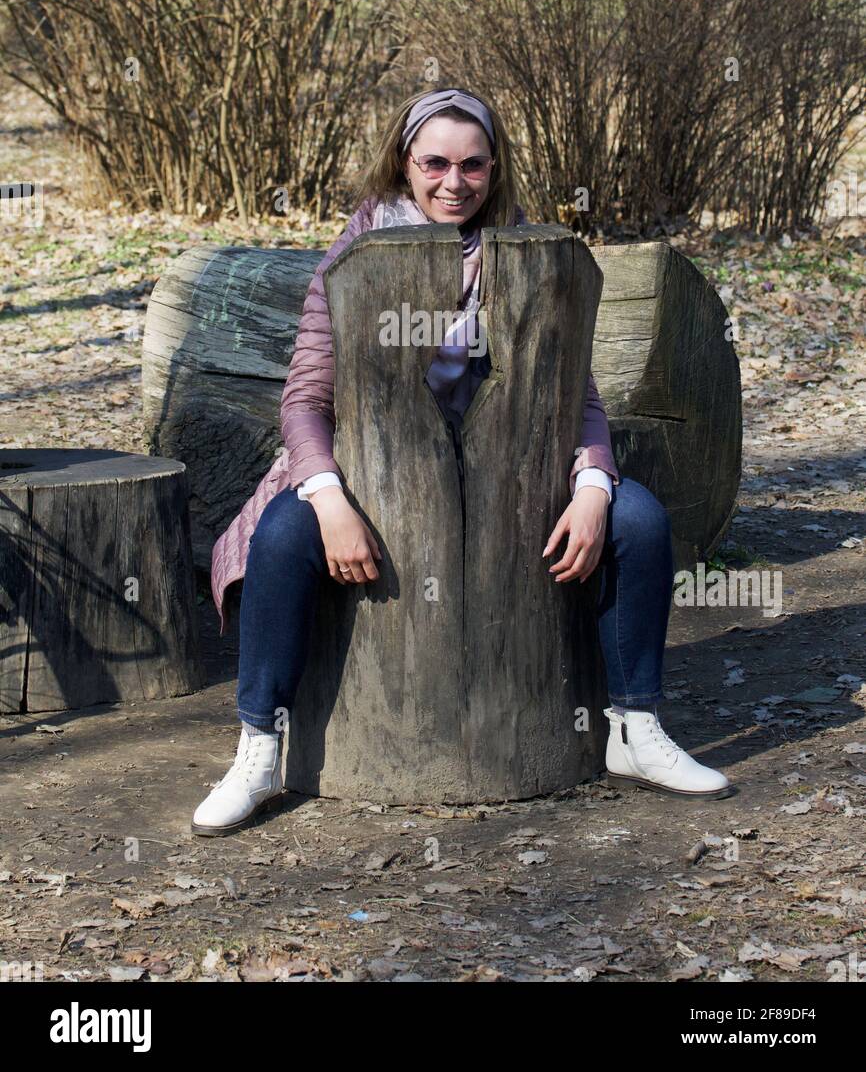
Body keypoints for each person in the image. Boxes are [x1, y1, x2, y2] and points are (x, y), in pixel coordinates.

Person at [193, 87, 732, 836]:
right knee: (280, 537)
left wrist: (593, 486)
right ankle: (258, 746)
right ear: (405, 162)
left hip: (516, 470)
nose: (455, 182)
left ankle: (635, 729)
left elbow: (578, 392)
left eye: (473, 165)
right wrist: (328, 496)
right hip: (373, 475)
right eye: (436, 163)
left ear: (494, 166)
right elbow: (304, 398)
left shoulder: (530, 249)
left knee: (638, 520)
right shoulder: (361, 247)